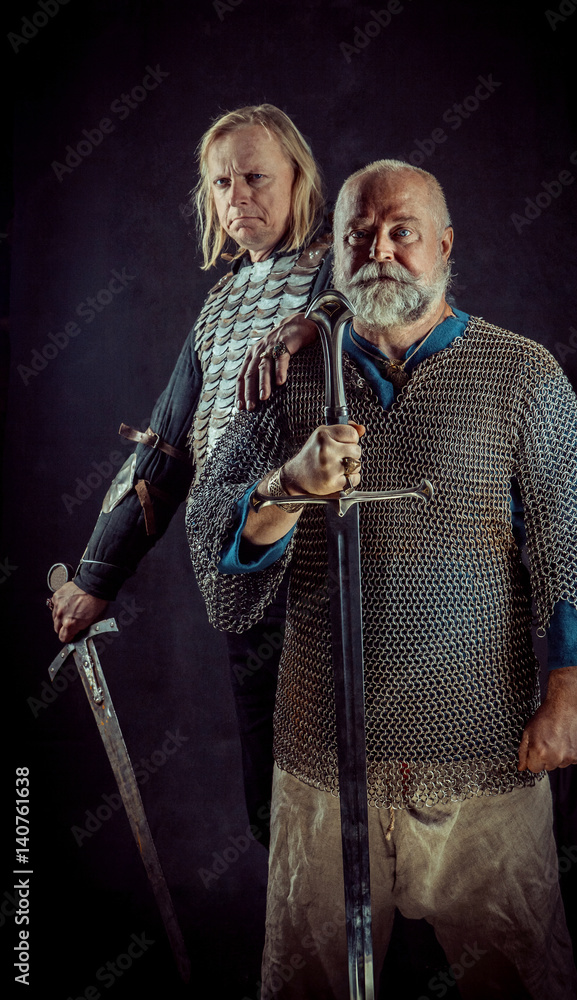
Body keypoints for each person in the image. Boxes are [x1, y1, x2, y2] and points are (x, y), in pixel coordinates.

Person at [186, 159, 577, 998]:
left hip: (481, 753)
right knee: (305, 983)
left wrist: (570, 697)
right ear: (335, 258)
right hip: (321, 759)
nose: (379, 250)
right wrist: (285, 487)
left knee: (519, 979)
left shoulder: (518, 375)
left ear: (444, 245)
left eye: (401, 232)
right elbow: (218, 544)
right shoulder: (286, 381)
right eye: (357, 237)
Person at [47, 103, 331, 846]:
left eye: (255, 176)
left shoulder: (349, 266)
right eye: (221, 182)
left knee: (366, 804)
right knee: (275, 803)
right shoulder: (220, 307)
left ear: (298, 175)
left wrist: (325, 315)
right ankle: (298, 958)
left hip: (345, 564)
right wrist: (96, 575)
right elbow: (165, 452)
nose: (237, 196)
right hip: (246, 561)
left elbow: (401, 324)